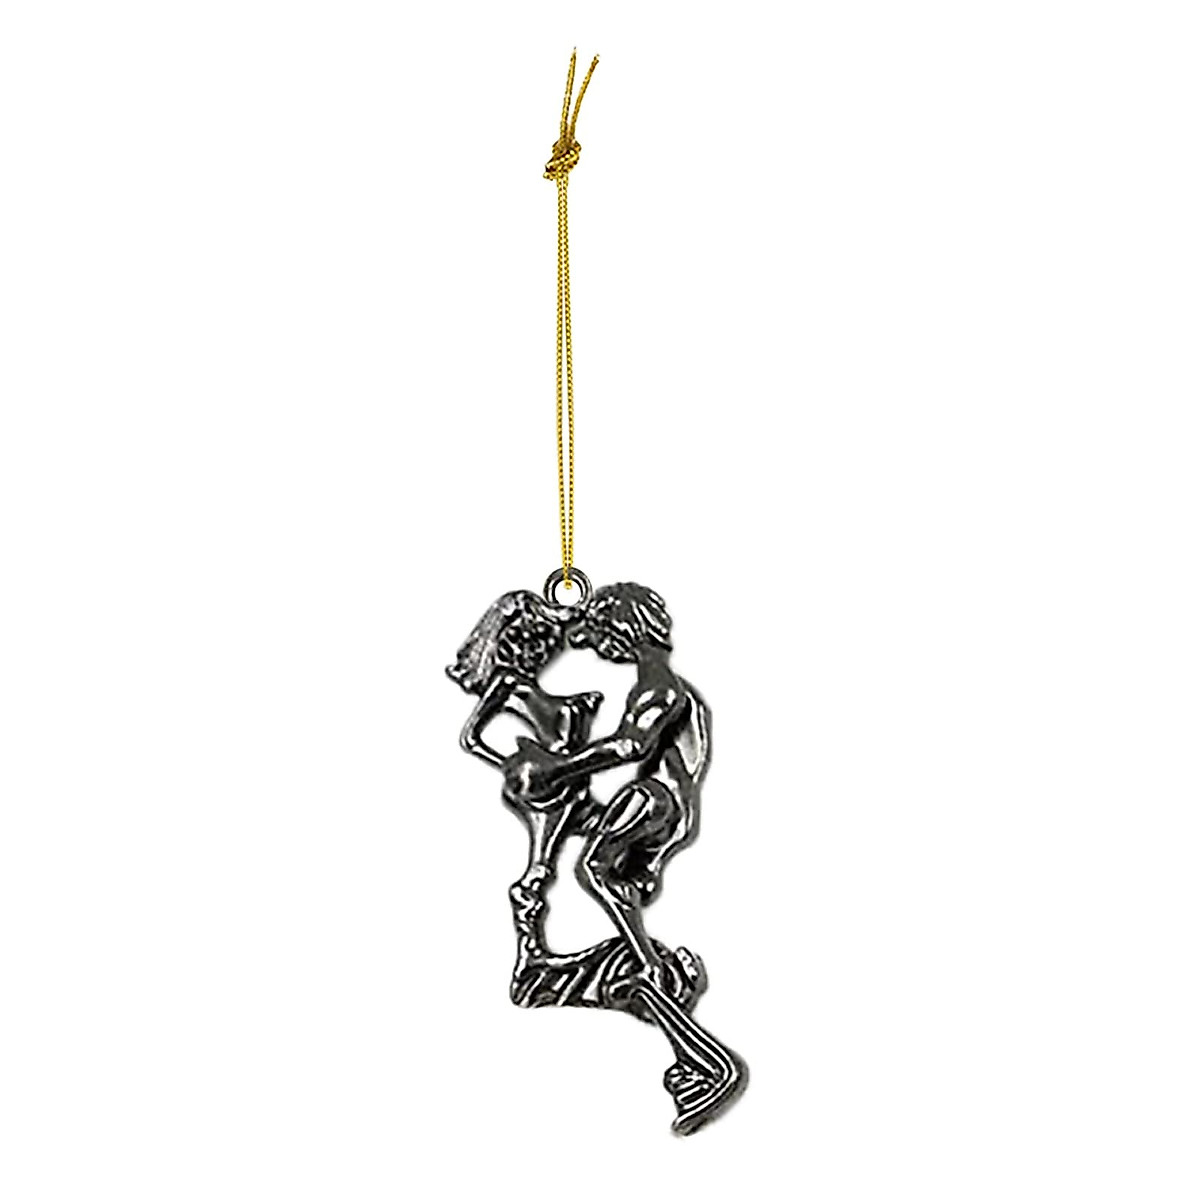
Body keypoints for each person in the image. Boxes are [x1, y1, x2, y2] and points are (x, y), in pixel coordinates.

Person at [502, 583, 711, 989]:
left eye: (600, 636)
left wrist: (558, 769)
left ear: (622, 627)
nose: (599, 648)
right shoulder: (675, 687)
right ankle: (642, 960)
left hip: (652, 798)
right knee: (596, 855)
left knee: (593, 869)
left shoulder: (659, 686)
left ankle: (648, 965)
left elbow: (630, 746)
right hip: (670, 805)